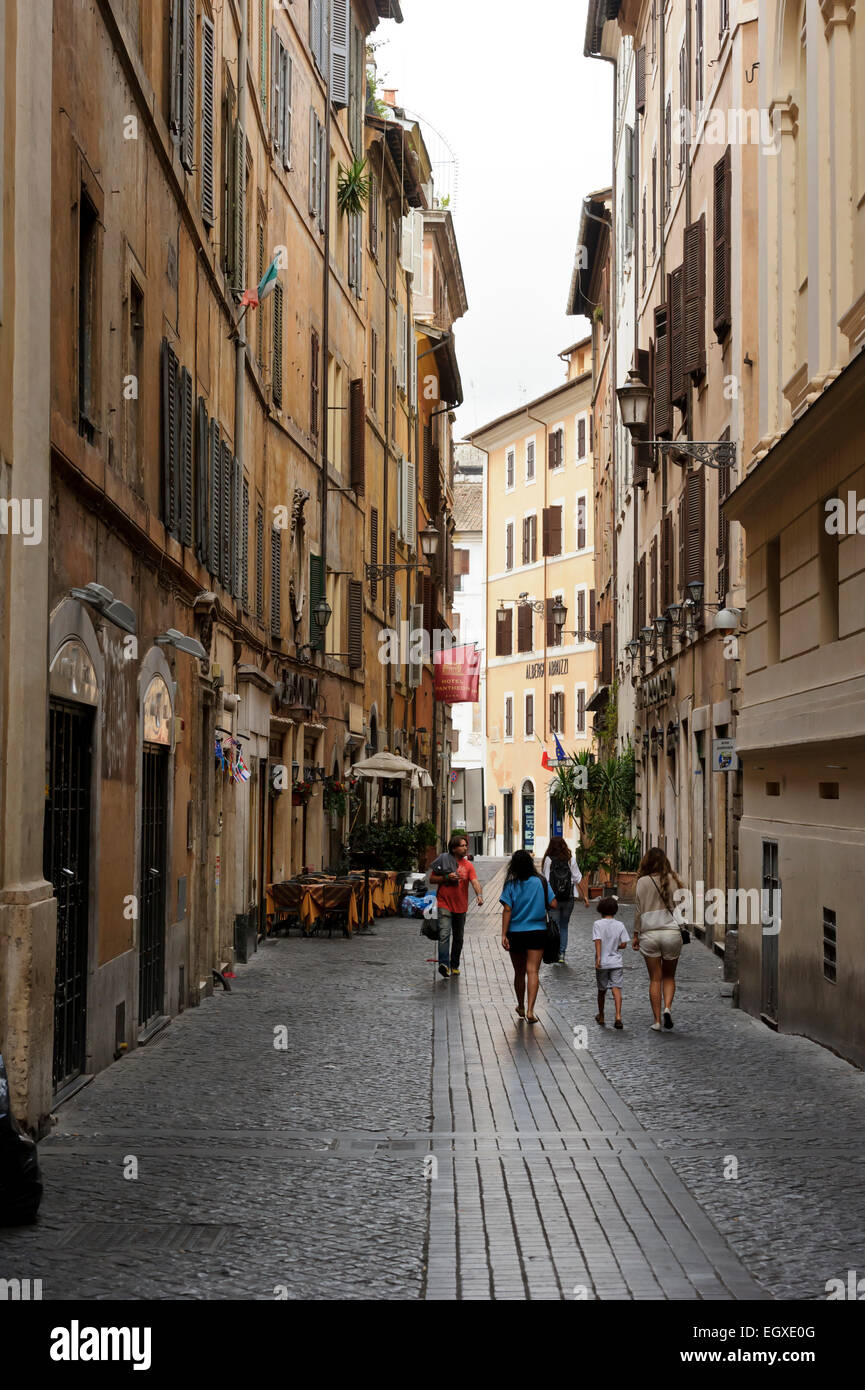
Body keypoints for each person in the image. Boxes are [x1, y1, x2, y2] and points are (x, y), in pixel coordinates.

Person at [499, 850, 556, 1025]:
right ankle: (531, 1010)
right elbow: (553, 904)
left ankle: (521, 1005)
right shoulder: (540, 882)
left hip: (515, 932)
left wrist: (503, 934)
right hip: (537, 931)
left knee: (519, 972)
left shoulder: (510, 885)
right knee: (533, 971)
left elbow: (507, 909)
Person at [632, 847, 686, 1031]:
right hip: (671, 933)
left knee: (655, 979)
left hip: (650, 934)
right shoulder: (674, 880)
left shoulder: (641, 882)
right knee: (669, 976)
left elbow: (638, 911)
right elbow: (681, 907)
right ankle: (668, 1009)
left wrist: (635, 935)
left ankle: (656, 1021)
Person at [429, 835, 483, 978]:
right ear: (454, 848)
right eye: (462, 845)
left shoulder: (468, 865)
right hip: (444, 903)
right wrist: (446, 878)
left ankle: (454, 965)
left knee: (458, 938)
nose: (466, 848)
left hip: (461, 906)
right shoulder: (444, 860)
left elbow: (475, 881)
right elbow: (432, 879)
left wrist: (479, 895)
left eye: (466, 845)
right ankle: (444, 964)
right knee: (444, 934)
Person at [541, 835, 590, 964]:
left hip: (553, 899)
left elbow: (545, 881)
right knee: (564, 926)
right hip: (568, 898)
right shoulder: (570, 860)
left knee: (555, 926)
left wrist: (545, 899)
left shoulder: (548, 860)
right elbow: (578, 879)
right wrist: (585, 896)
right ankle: (562, 953)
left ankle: (556, 953)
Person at [593, 897, 630, 1029]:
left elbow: (598, 940)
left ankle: (601, 1015)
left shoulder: (598, 924)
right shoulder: (620, 925)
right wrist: (615, 946)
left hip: (603, 962)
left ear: (600, 910)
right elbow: (624, 944)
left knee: (601, 990)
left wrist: (598, 958)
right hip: (616, 962)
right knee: (617, 989)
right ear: (615, 910)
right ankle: (618, 1016)